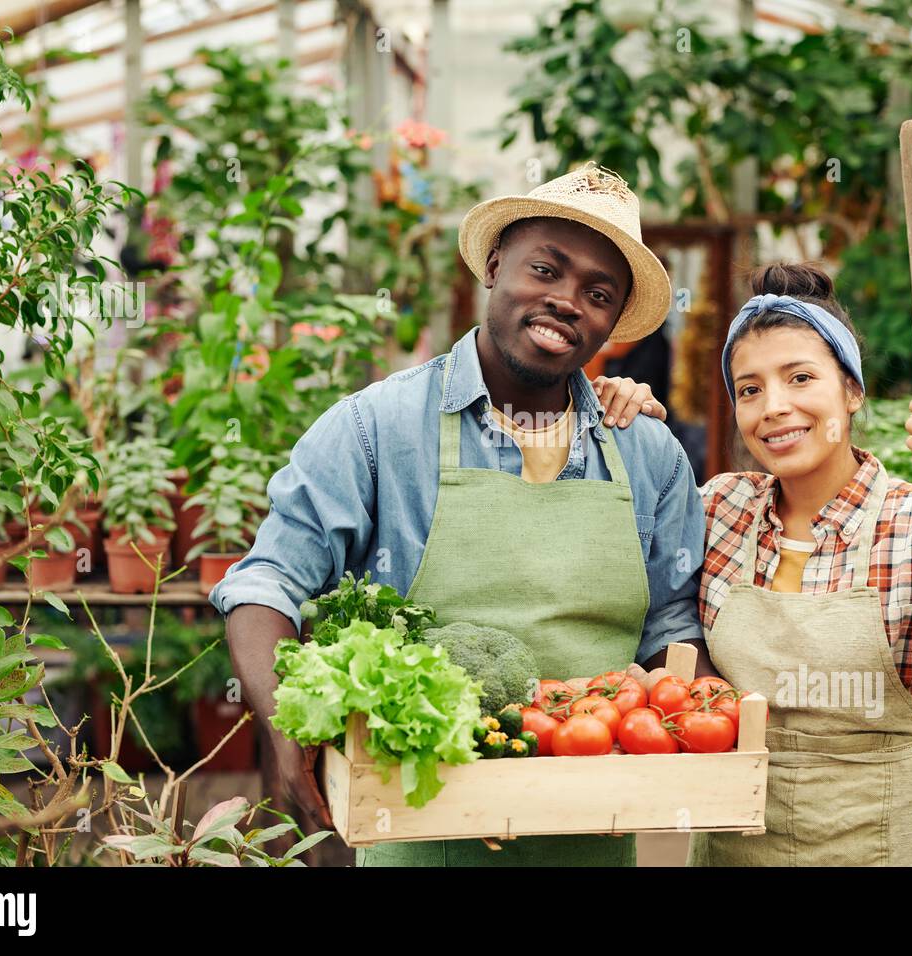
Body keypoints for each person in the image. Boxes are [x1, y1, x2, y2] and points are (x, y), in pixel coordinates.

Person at [209, 163, 717, 867]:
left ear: (612, 324)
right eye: (545, 268)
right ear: (493, 264)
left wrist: (677, 730)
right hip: (420, 838)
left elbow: (672, 627)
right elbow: (265, 584)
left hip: (594, 842)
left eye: (597, 294)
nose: (567, 301)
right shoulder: (377, 428)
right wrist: (286, 730)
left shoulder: (649, 454)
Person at [594, 262, 912, 866]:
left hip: (883, 844)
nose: (774, 407)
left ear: (851, 390)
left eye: (800, 378)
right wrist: (617, 421)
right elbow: (622, 565)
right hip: (735, 844)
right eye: (749, 389)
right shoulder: (721, 507)